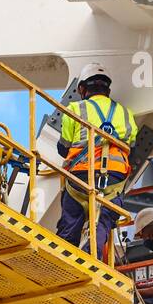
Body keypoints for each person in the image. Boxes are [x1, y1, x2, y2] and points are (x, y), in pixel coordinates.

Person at [55, 63, 138, 259]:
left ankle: (66, 258)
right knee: (104, 219)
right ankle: (93, 256)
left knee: (71, 219)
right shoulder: (126, 114)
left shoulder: (75, 108)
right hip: (114, 179)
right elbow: (131, 146)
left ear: (82, 89)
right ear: (107, 90)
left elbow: (63, 148)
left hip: (82, 176)